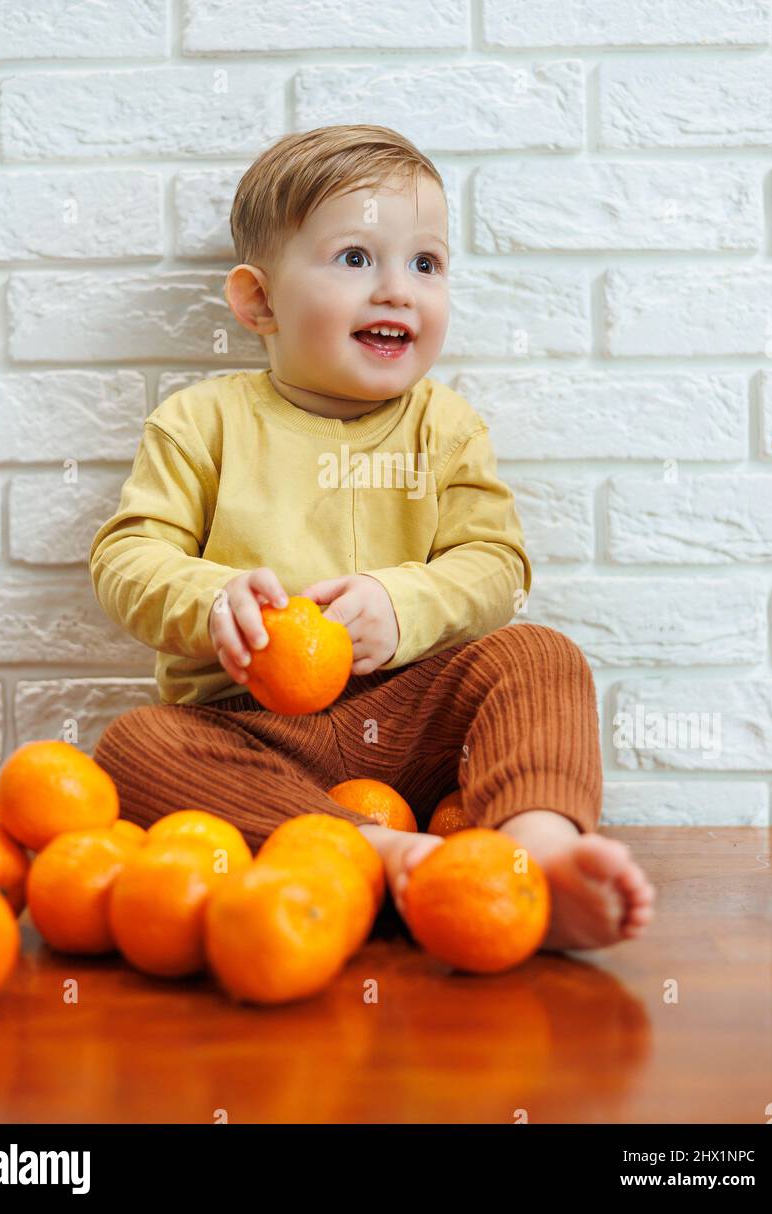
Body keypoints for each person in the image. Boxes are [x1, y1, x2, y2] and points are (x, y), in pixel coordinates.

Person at [89, 124, 654, 952]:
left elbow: (496, 564)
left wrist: (403, 603)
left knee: (539, 655)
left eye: (425, 264)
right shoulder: (201, 421)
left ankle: (536, 863)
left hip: (415, 718)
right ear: (258, 302)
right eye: (356, 259)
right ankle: (380, 853)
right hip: (255, 733)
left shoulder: (446, 426)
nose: (397, 290)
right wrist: (214, 600)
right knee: (133, 745)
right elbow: (127, 555)